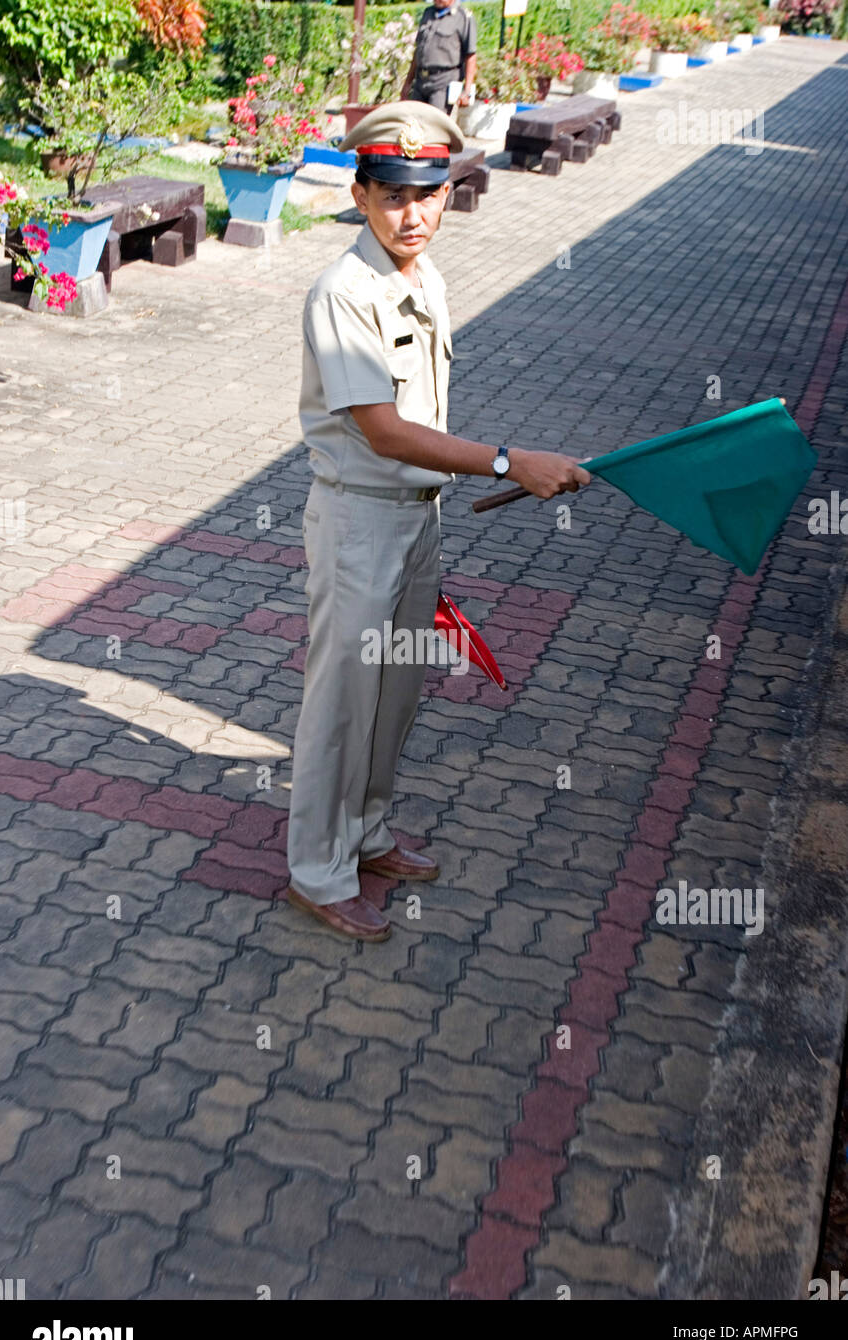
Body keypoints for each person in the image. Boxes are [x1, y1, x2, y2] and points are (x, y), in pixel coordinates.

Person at [285, 102, 590, 943]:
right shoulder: (344, 292)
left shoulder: (425, 280)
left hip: (416, 518)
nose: (412, 215)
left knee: (394, 694)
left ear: (448, 192)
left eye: (429, 195)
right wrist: (506, 461)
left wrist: (493, 470)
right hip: (357, 523)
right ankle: (317, 870)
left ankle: (368, 836)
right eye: (391, 196)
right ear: (360, 193)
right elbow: (382, 430)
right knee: (342, 703)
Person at [401, 0, 477, 113]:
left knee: (435, 125)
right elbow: (418, 51)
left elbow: (470, 56)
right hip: (421, 81)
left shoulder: (463, 17)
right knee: (414, 123)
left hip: (443, 83)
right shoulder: (428, 13)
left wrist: (467, 90)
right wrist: (407, 83)